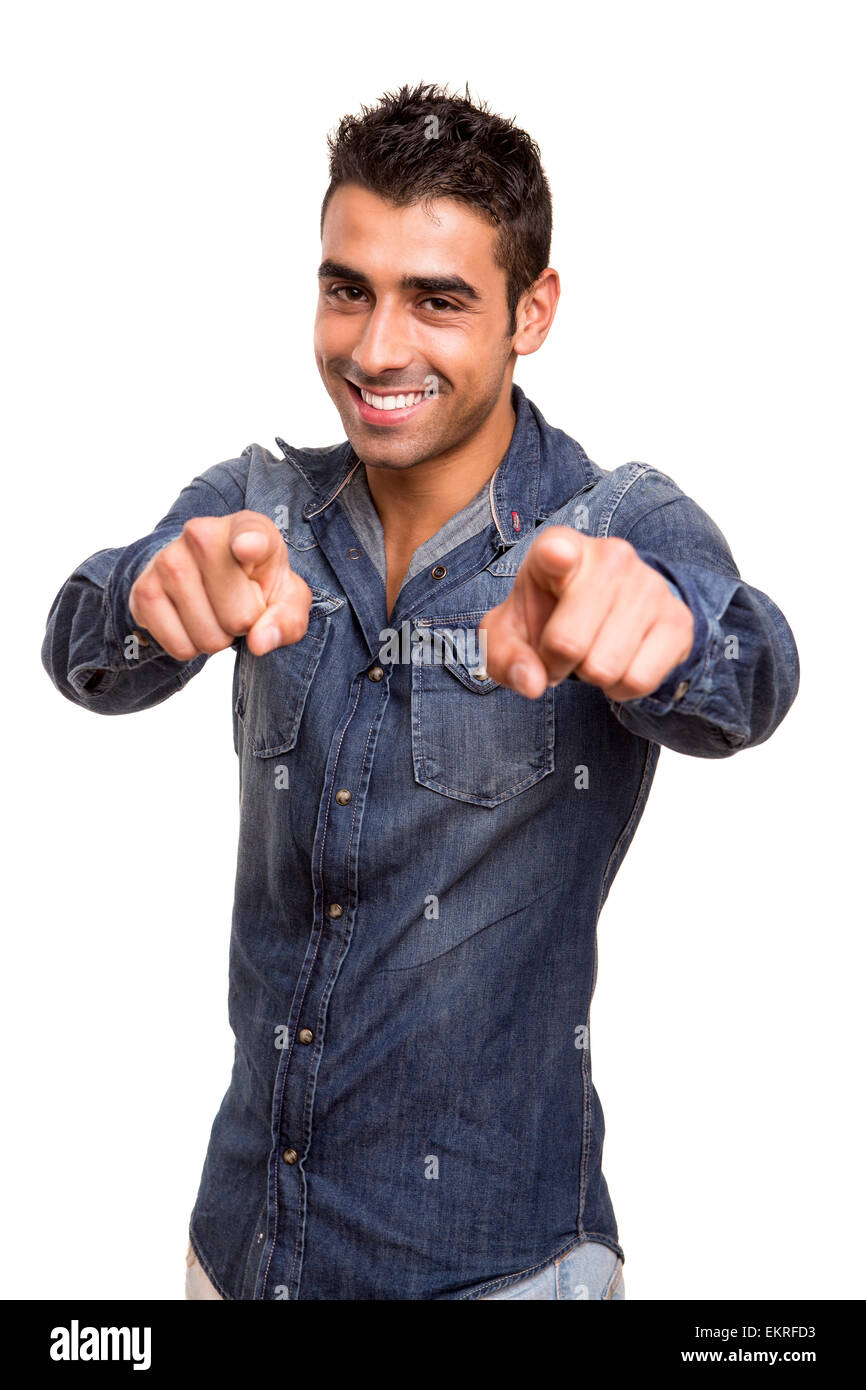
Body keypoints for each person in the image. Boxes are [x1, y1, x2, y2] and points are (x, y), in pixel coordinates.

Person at [41, 82, 799, 1301]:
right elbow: (78, 639)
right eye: (349, 288)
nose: (376, 347)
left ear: (530, 310)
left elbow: (750, 669)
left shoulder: (608, 522)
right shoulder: (258, 503)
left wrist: (664, 635)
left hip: (493, 1270)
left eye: (436, 300)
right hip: (241, 1250)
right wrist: (143, 594)